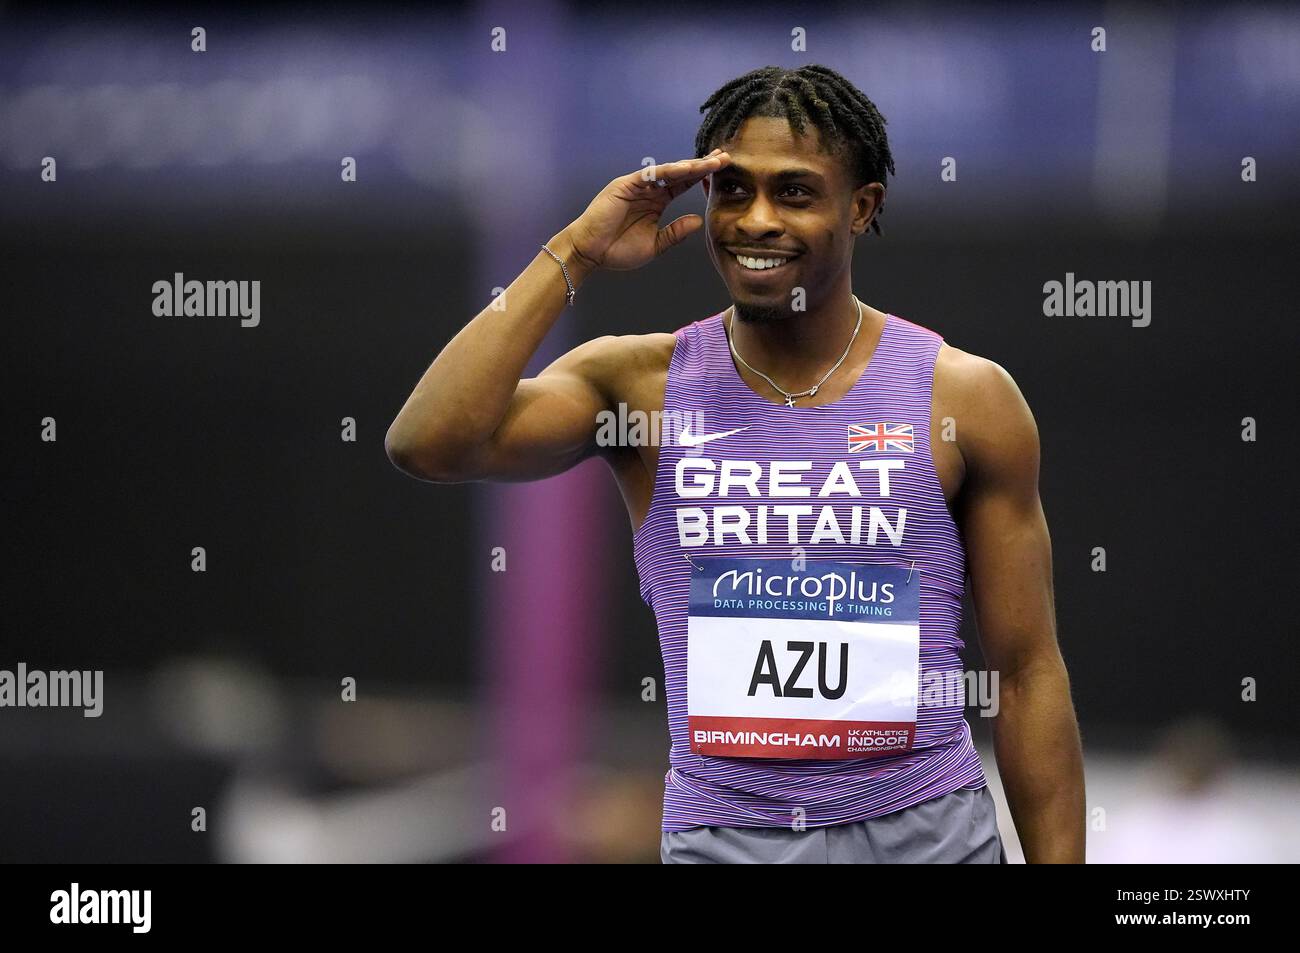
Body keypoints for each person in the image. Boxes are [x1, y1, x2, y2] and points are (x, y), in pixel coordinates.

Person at [385, 64, 1085, 863]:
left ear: (861, 207)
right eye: (733, 191)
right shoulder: (638, 386)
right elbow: (429, 441)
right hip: (729, 839)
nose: (756, 220)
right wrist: (576, 249)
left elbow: (1029, 672)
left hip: (925, 830)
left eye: (794, 192)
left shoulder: (965, 399)